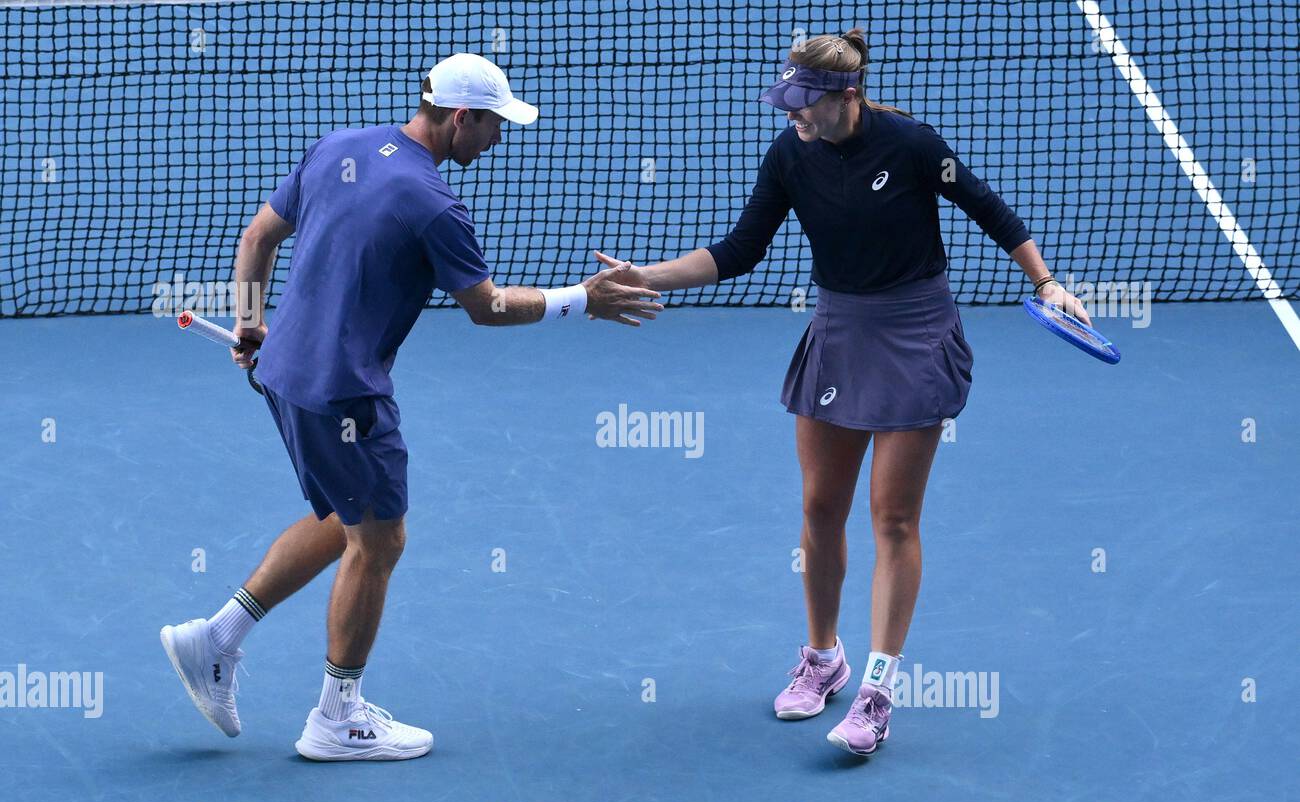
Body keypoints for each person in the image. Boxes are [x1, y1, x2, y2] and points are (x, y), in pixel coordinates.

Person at [594, 29, 1090, 756]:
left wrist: (1045, 282)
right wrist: (646, 275)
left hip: (916, 336)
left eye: (805, 103)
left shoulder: (912, 145)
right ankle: (823, 657)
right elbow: (739, 251)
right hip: (839, 334)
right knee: (821, 508)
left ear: (846, 96)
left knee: (892, 517)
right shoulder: (790, 153)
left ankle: (879, 691)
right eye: (789, 101)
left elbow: (991, 211)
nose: (793, 114)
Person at [160, 53, 661, 761]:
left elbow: (256, 237)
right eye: (493, 125)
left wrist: (248, 325)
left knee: (345, 518)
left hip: (281, 376)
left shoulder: (340, 144)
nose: (497, 139)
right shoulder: (435, 204)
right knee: (380, 540)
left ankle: (214, 639)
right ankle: (338, 717)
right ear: (461, 117)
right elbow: (486, 308)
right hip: (345, 394)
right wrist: (583, 299)